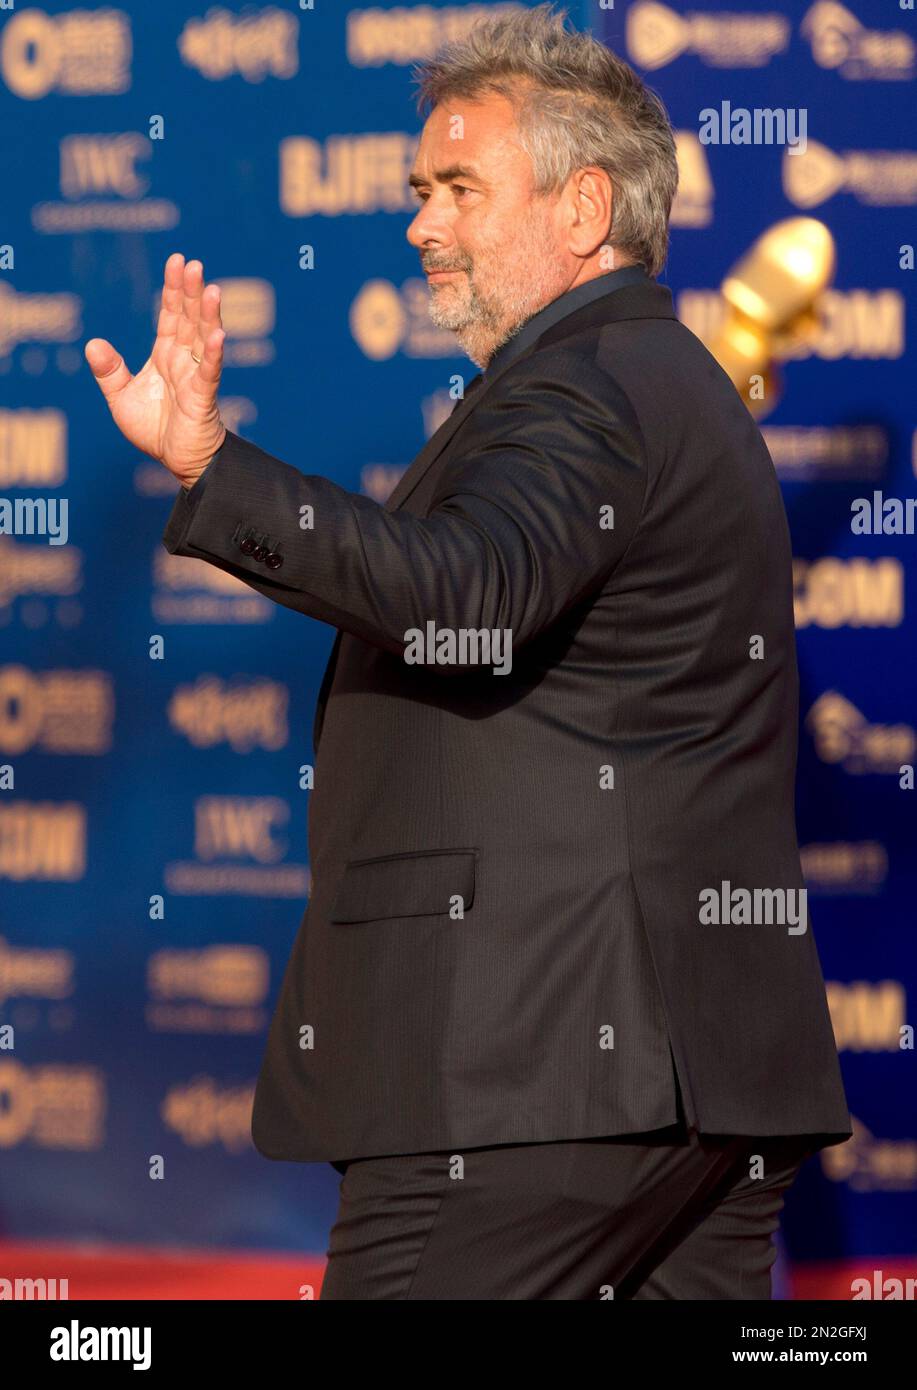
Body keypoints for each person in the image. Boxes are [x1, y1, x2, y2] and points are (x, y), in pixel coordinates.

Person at [85, 4, 851, 1299]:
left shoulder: (580, 385)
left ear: (580, 206)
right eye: (415, 188)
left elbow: (470, 593)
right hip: (701, 1086)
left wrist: (215, 464)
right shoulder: (664, 378)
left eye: (455, 186)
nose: (418, 222)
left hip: (534, 1087)